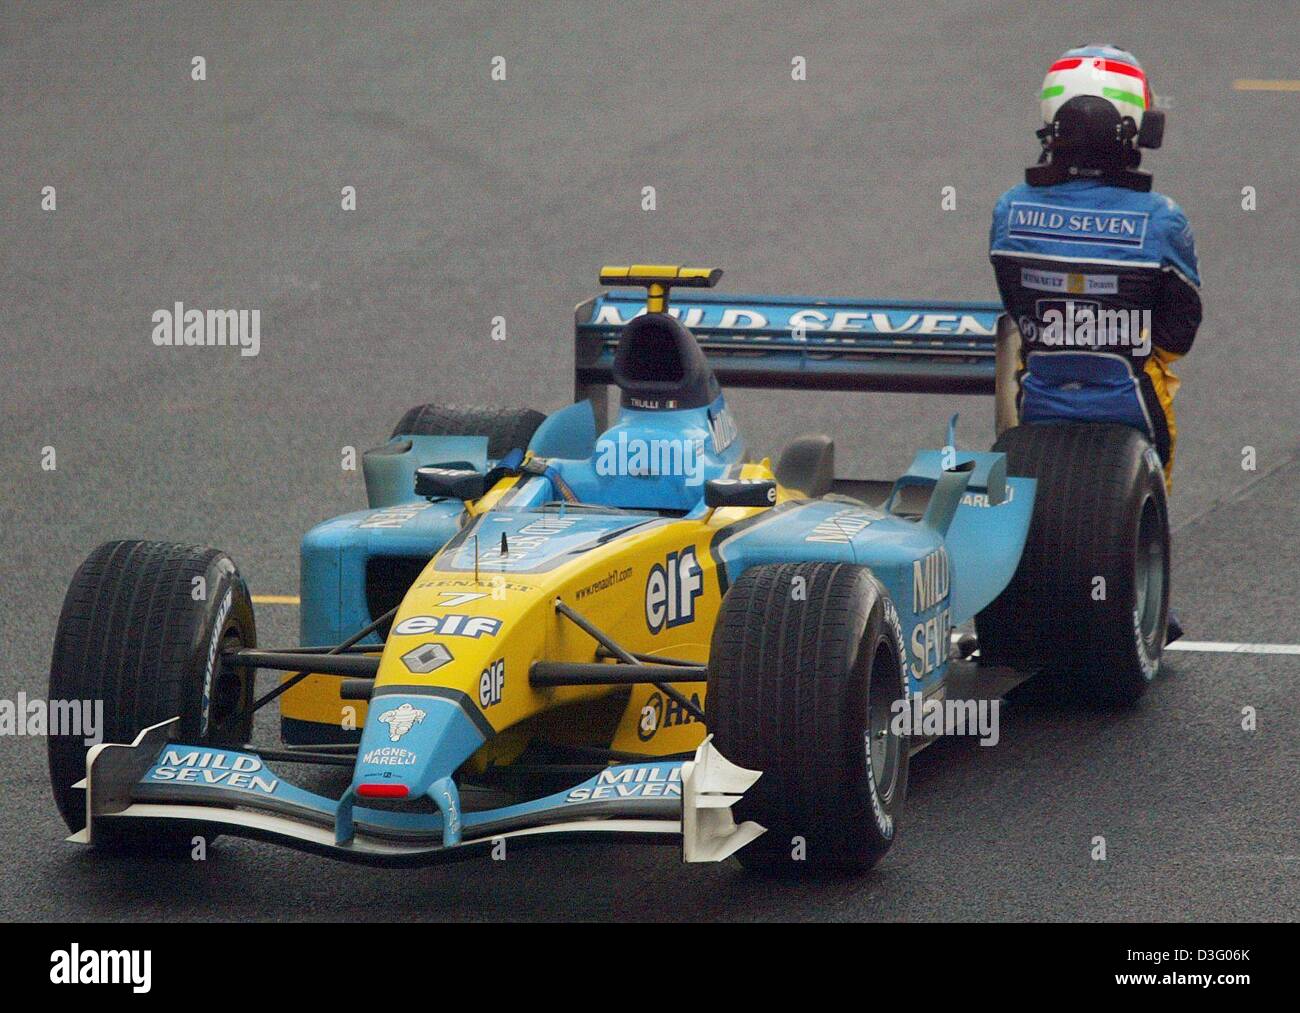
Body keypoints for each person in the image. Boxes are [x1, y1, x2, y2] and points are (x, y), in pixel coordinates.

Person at [989, 45, 1201, 490]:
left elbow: (1015, 302)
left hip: (1037, 400)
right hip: (1133, 406)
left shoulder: (1009, 209)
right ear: (1131, 127)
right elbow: (1179, 332)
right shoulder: (1162, 219)